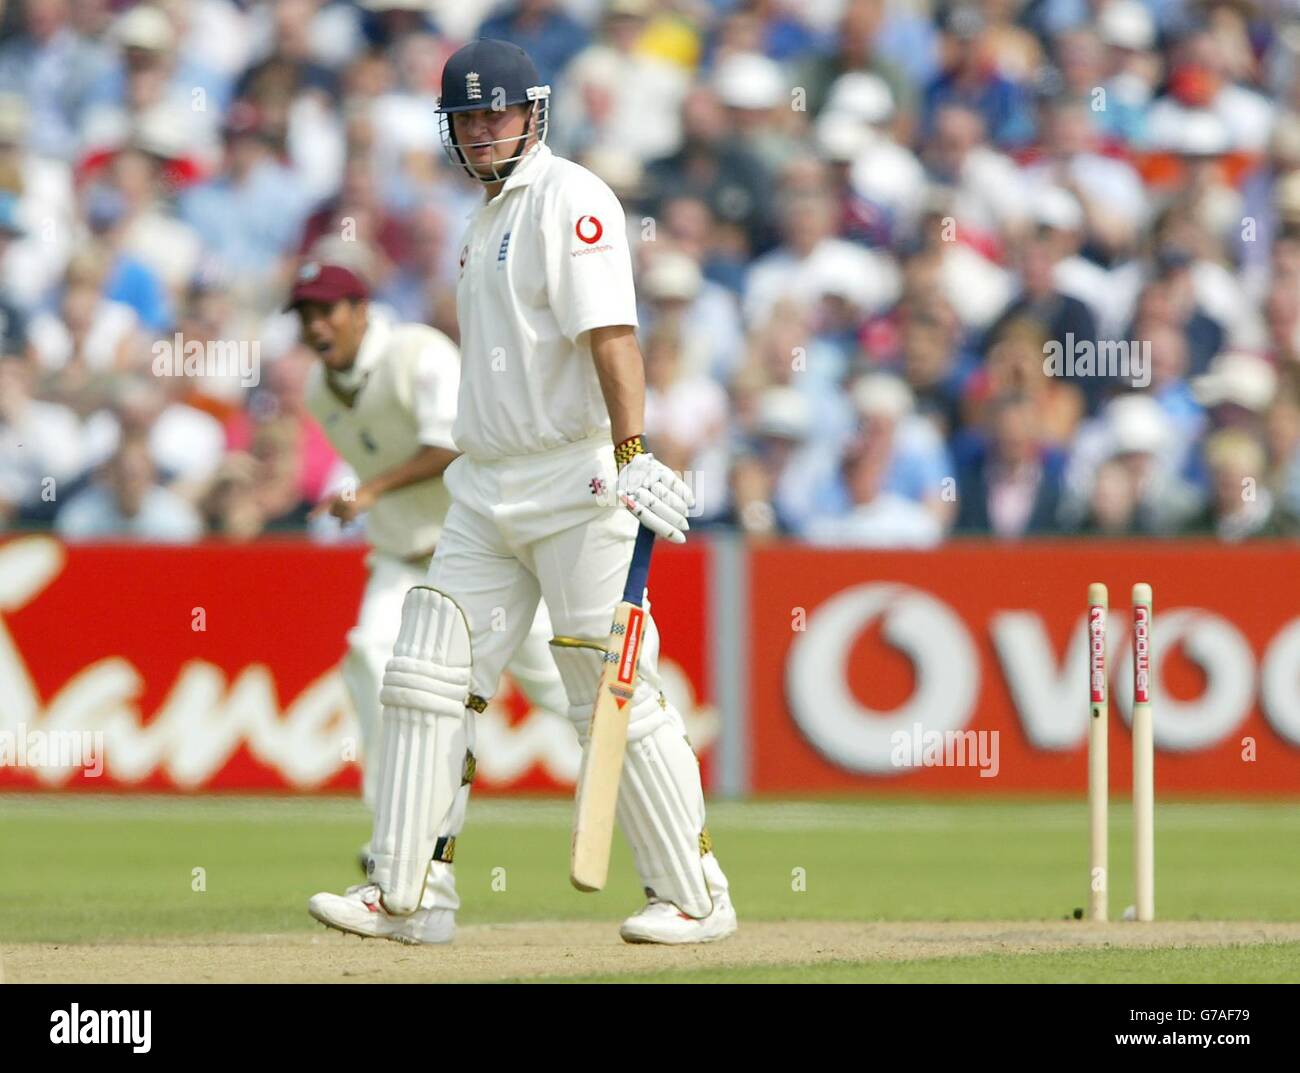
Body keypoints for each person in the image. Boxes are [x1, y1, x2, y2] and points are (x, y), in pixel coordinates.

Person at [309, 40, 736, 946]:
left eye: (497, 112)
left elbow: (612, 335)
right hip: (484, 481)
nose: (483, 129)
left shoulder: (571, 197)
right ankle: (410, 893)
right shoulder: (478, 220)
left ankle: (693, 895)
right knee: (425, 670)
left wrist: (633, 451)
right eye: (467, 118)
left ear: (533, 112)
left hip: (574, 474)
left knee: (604, 684)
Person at [287, 260, 567, 858]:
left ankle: (653, 784)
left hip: (485, 557)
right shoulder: (317, 390)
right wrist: (362, 498)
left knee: (566, 688)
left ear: (361, 311)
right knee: (370, 656)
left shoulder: (421, 353)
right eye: (305, 315)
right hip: (402, 560)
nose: (316, 327)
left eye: (326, 311)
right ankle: (396, 829)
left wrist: (370, 492)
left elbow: (451, 444)